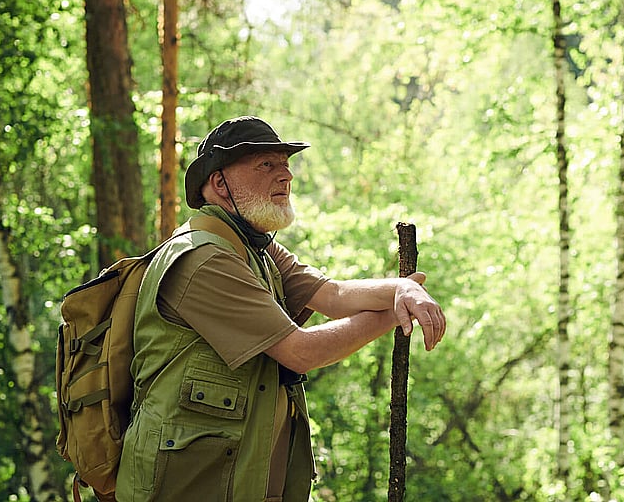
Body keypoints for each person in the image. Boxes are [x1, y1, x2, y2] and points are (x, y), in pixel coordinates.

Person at [115, 116, 446, 501]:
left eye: (286, 165)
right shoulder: (203, 258)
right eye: (266, 165)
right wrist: (396, 311)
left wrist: (402, 288)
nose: (285, 176)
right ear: (219, 183)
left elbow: (334, 296)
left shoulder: (256, 248)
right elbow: (301, 351)